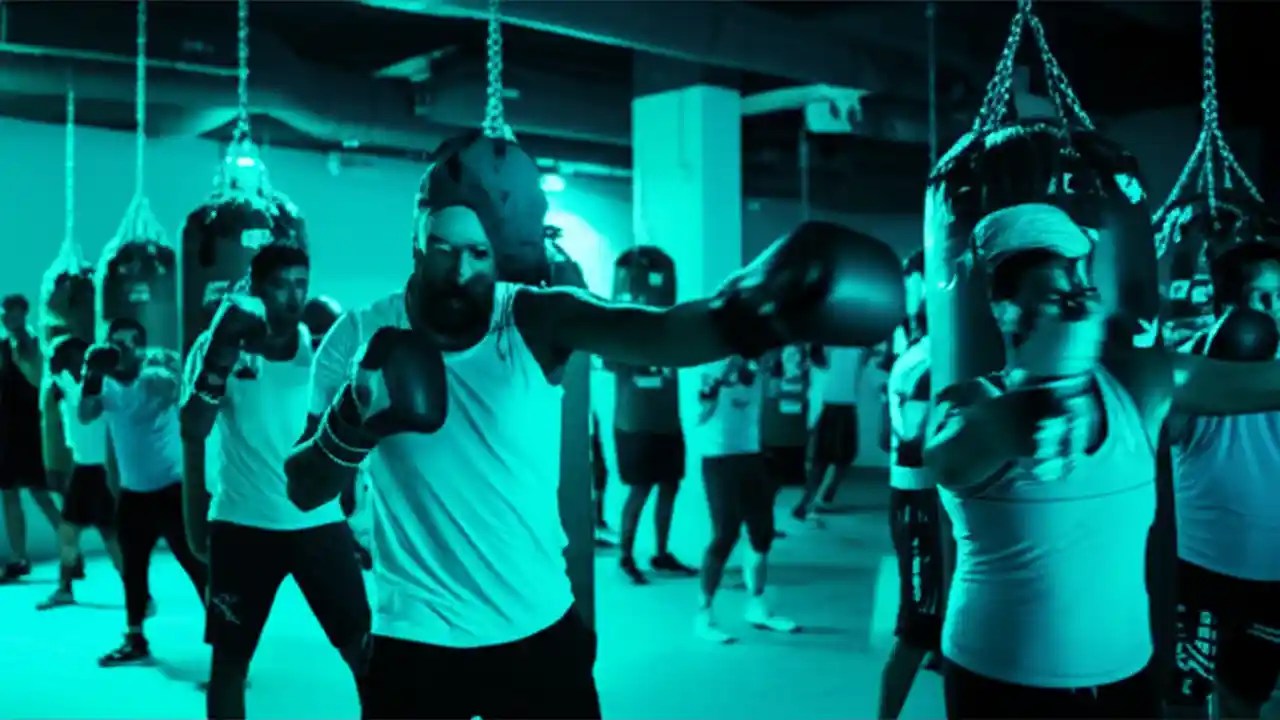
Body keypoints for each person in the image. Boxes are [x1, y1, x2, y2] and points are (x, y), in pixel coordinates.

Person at [280, 146, 897, 718]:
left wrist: (755, 310)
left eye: (479, 254)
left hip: (537, 628)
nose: (460, 271)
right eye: (443, 247)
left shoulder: (531, 317)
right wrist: (351, 422)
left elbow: (656, 331)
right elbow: (305, 489)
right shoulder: (358, 336)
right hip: (414, 634)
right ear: (417, 239)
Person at [925, 202, 1280, 719]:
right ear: (1005, 311)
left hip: (1126, 677)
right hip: (1000, 679)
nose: (1078, 306)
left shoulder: (1142, 386)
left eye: (1084, 290)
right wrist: (1036, 403)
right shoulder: (969, 402)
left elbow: (1266, 384)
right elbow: (949, 457)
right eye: (1055, 296)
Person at [180, 244, 371, 719]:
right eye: (279, 284)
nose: (292, 295)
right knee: (229, 662)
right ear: (256, 286)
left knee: (364, 651)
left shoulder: (324, 348)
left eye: (300, 283)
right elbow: (192, 427)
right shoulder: (216, 344)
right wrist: (219, 357)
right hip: (242, 525)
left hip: (318, 523)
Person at [1165, 242, 1280, 720]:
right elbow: (1166, 437)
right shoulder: (1185, 363)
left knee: (1244, 699)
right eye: (1263, 298)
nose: (1275, 311)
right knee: (1185, 699)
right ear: (1229, 302)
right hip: (1200, 559)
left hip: (1270, 564)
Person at [78, 317, 207, 666]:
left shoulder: (156, 375)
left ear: (140, 345)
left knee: (196, 564)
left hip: (172, 489)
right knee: (132, 569)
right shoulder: (102, 384)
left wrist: (146, 364)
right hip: (133, 494)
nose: (122, 349)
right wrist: (92, 375)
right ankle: (135, 638)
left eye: (129, 343)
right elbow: (85, 413)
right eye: (115, 343)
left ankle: (228, 645)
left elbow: (170, 388)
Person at [876, 251, 940, 719]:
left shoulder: (928, 349)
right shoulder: (925, 358)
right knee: (916, 627)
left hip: (936, 500)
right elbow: (911, 441)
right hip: (920, 500)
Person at [694, 356, 798, 644]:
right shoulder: (709, 367)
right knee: (725, 535)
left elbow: (776, 389)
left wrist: (772, 366)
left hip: (751, 455)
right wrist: (719, 382)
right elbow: (701, 414)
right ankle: (704, 614)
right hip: (718, 458)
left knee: (761, 533)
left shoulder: (757, 365)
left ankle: (757, 604)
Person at [36, 336, 125, 610]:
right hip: (83, 468)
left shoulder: (99, 388)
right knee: (70, 531)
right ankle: (64, 588)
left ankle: (137, 591)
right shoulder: (65, 385)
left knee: (109, 534)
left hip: (98, 469)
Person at [611, 361, 695, 584]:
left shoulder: (671, 341)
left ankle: (661, 553)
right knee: (640, 489)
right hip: (636, 427)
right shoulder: (626, 341)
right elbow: (609, 361)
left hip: (668, 426)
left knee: (670, 486)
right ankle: (626, 555)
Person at [0, 294, 63, 581]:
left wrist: (21, 354)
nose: (7, 317)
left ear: (24, 314)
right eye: (4, 313)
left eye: (13, 313)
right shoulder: (2, 347)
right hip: (5, 431)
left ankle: (72, 553)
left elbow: (39, 382)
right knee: (9, 494)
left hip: (30, 431)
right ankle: (18, 557)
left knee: (40, 494)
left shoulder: (35, 345)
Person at [793, 343, 868, 521]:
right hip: (832, 406)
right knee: (823, 459)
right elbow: (817, 358)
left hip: (843, 405)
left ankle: (823, 494)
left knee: (843, 457)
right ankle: (809, 500)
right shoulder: (826, 346)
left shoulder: (854, 348)